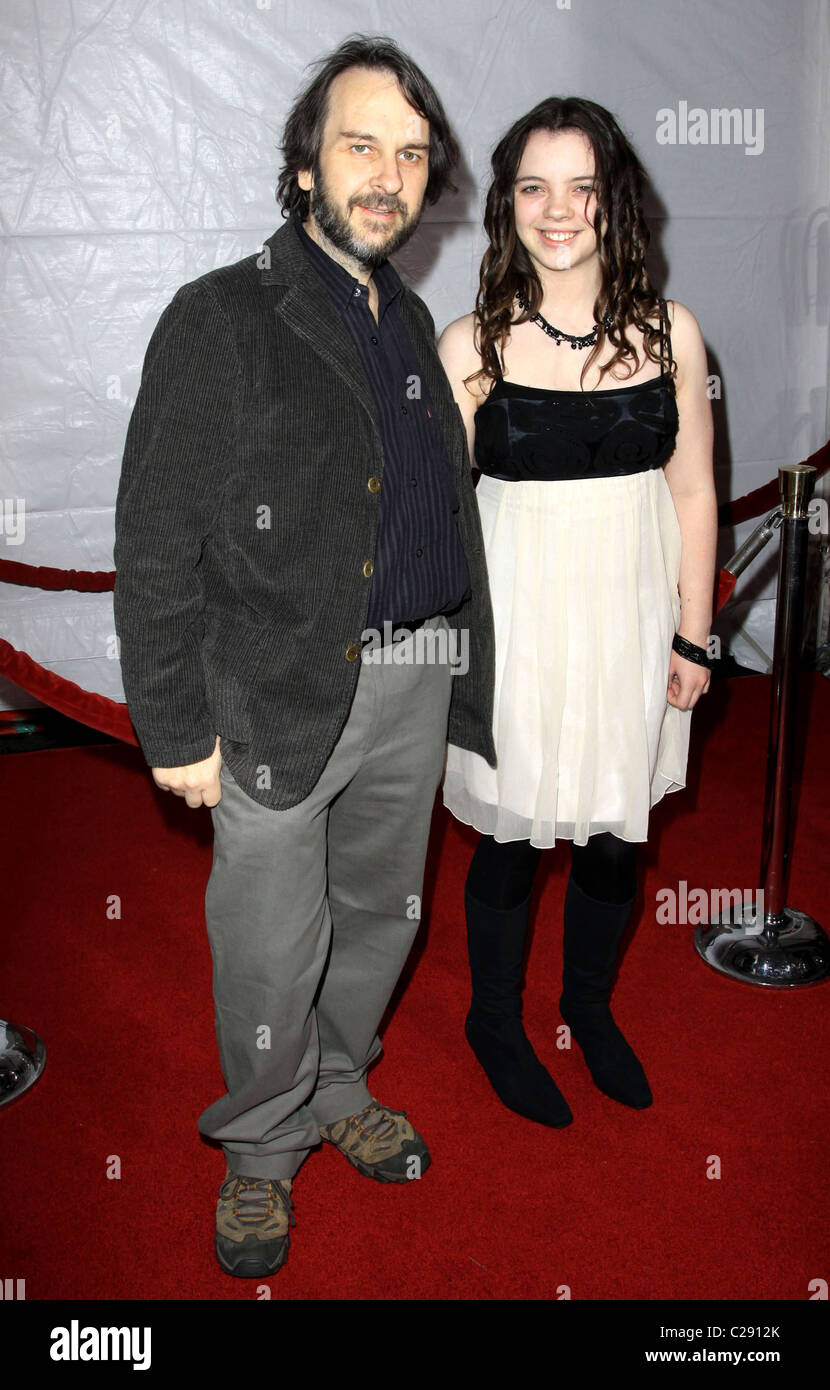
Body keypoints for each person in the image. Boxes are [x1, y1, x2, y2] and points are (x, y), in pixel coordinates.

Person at [113, 35, 497, 1278]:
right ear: (301, 169)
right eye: (358, 145)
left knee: (380, 918)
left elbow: (426, 502)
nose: (386, 176)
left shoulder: (410, 321)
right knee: (271, 944)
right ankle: (261, 1150)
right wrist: (174, 728)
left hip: (410, 680)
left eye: (409, 153)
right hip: (277, 694)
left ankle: (339, 1083)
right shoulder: (222, 315)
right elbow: (155, 537)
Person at [437, 97, 716, 1129]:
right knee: (511, 839)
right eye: (531, 187)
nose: (556, 211)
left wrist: (693, 634)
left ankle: (586, 1008)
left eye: (580, 186)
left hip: (631, 620)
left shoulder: (670, 334)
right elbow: (428, 512)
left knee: (610, 835)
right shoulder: (469, 342)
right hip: (514, 627)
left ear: (614, 201)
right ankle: (495, 1023)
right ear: (506, 202)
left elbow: (691, 492)